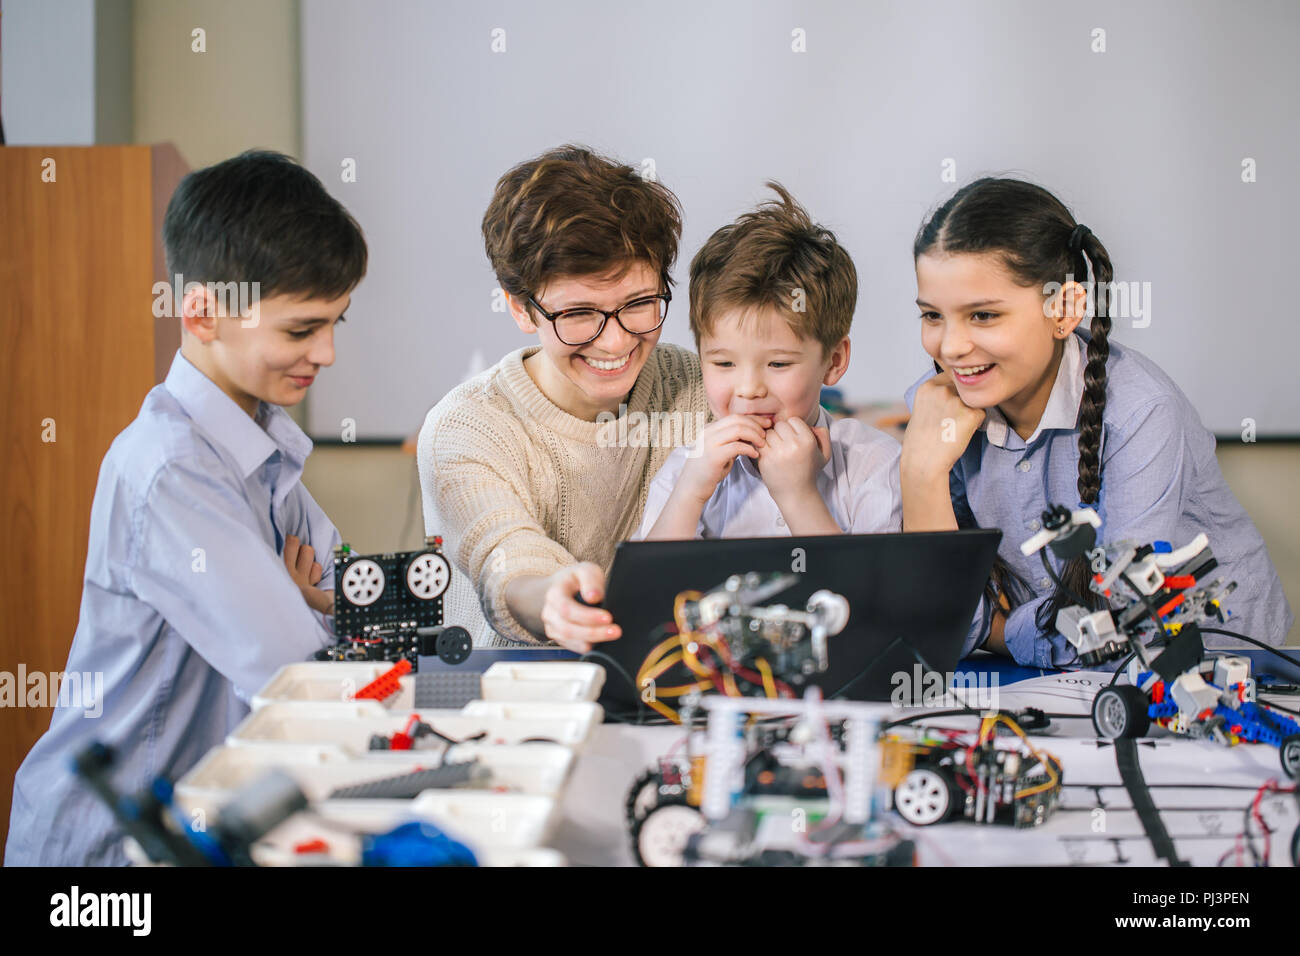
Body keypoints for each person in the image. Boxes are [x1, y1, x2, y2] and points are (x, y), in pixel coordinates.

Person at [6, 150, 365, 865]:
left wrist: (312, 604)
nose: (325, 352)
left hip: (194, 827)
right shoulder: (171, 469)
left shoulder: (263, 447)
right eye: (301, 329)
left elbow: (357, 599)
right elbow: (298, 672)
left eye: (337, 324)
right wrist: (304, 608)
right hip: (108, 849)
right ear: (202, 314)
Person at [900, 177, 1292, 667]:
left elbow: (1125, 629)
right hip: (1055, 673)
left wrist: (998, 630)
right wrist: (921, 474)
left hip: (1216, 660)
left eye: (982, 316)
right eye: (932, 316)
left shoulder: (1142, 411)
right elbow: (933, 633)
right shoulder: (938, 409)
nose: (951, 347)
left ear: (1064, 309)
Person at [418, 145, 709, 653]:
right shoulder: (465, 428)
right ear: (520, 308)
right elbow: (507, 555)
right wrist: (549, 596)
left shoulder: (694, 384)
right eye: (578, 314)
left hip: (659, 695)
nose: (615, 343)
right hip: (510, 706)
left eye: (639, 304)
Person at [638, 183, 901, 539]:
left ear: (834, 360)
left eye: (777, 364)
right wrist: (690, 492)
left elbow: (871, 595)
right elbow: (649, 590)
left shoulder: (874, 463)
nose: (748, 390)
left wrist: (798, 495)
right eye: (724, 364)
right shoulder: (687, 469)